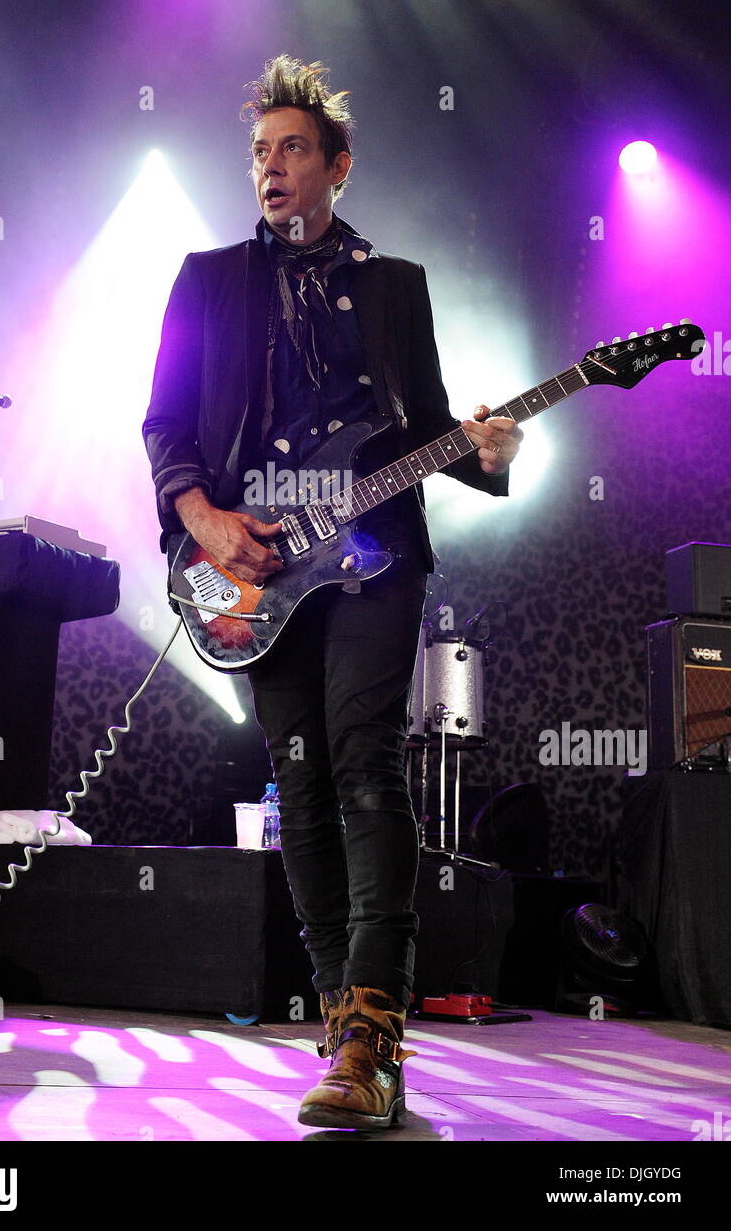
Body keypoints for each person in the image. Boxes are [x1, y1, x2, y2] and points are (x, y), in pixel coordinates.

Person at [143, 55, 522, 1130]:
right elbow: (165, 423)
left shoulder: (394, 286)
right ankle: (334, 1015)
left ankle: (373, 1030)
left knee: (363, 765)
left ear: (337, 166)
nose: (269, 167)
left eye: (291, 148)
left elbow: (431, 430)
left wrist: (488, 453)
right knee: (299, 787)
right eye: (259, 151)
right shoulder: (205, 278)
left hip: (369, 562)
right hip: (254, 566)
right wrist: (205, 519)